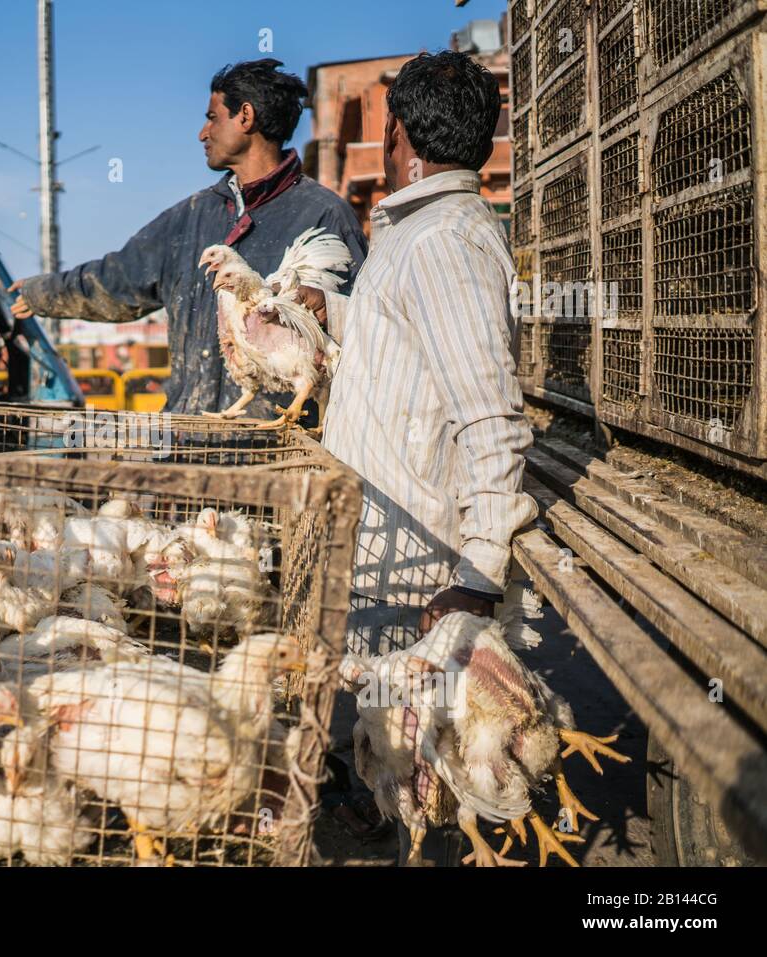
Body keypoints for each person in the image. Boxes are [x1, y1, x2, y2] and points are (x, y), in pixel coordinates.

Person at [320, 51, 539, 860]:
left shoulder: (445, 240)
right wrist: (334, 312)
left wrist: (478, 577)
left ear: (397, 132)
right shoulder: (418, 234)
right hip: (386, 535)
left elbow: (490, 415)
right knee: (391, 751)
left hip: (419, 555)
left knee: (425, 766)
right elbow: (405, 348)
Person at [9, 58, 366, 418]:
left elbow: (362, 331)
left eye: (212, 118)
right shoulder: (189, 217)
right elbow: (117, 276)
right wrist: (43, 293)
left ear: (245, 116)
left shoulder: (324, 215)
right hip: (190, 443)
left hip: (280, 456)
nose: (202, 133)